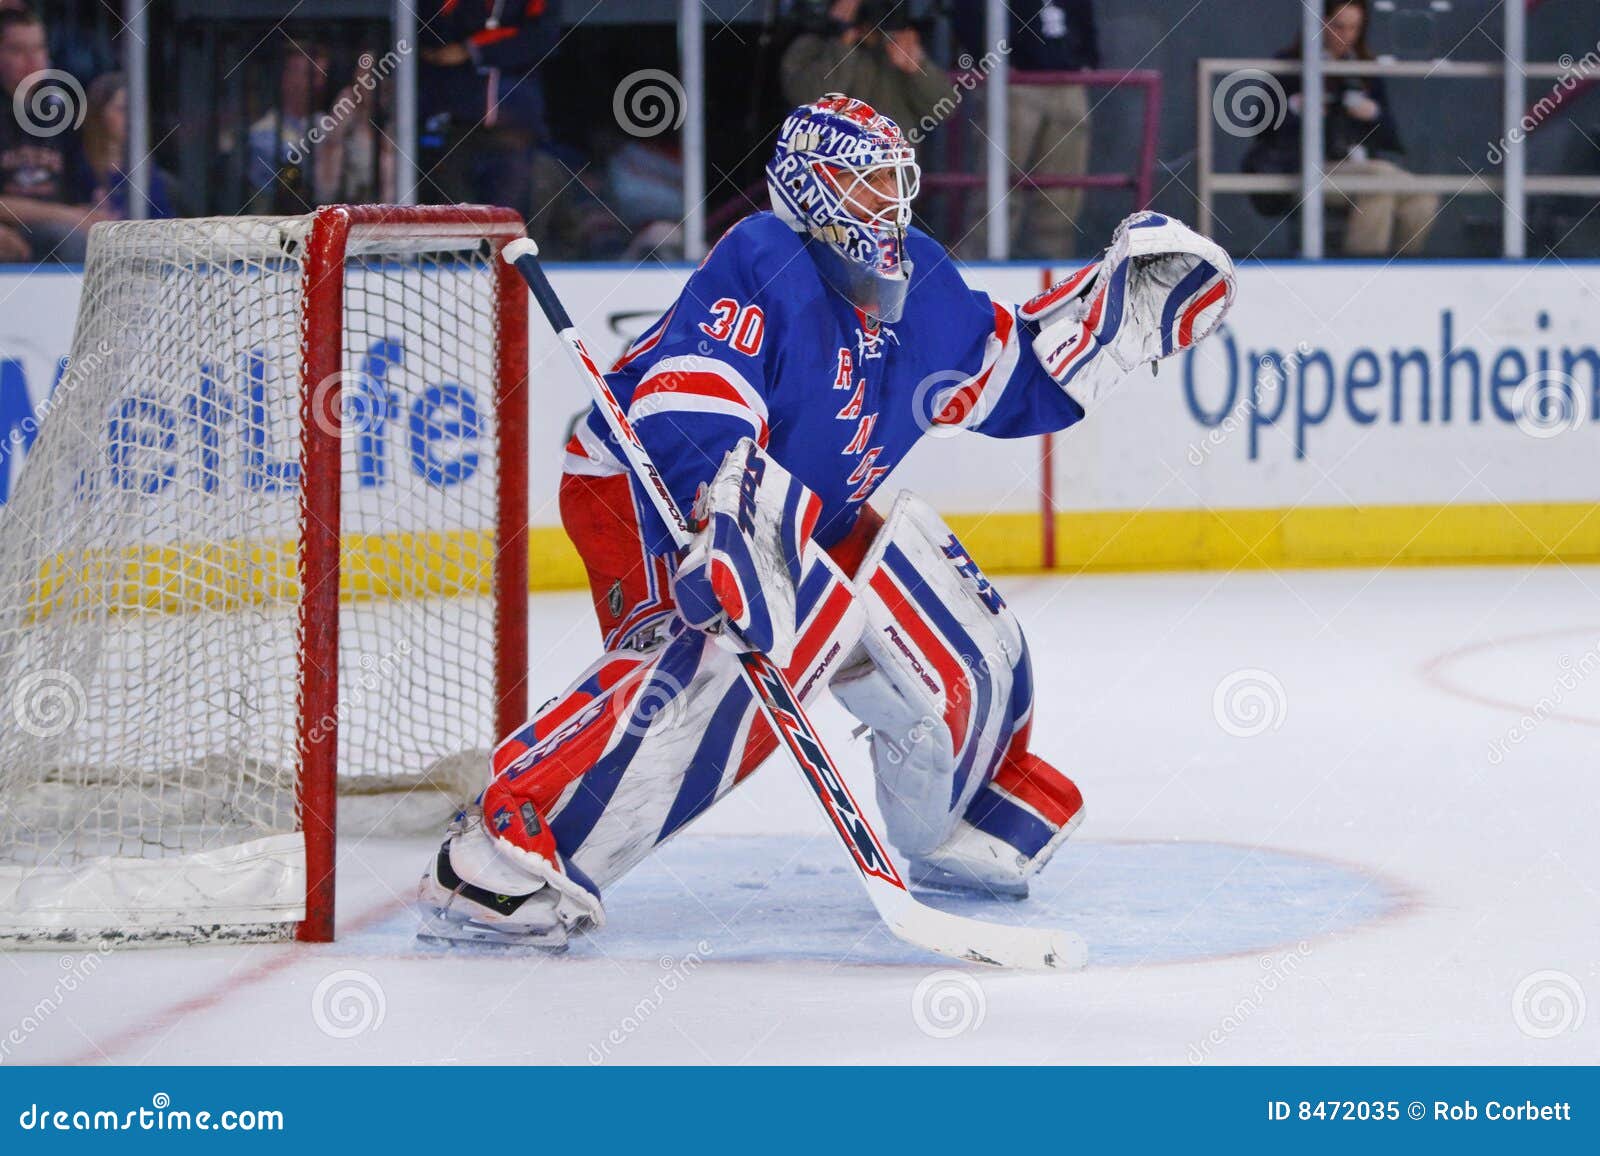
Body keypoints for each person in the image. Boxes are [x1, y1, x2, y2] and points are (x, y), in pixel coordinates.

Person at [418, 94, 1235, 947]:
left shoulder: (921, 284)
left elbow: (1009, 374)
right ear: (809, 187)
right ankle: (501, 857)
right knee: (732, 644)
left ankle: (961, 810)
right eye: (863, 182)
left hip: (804, 506)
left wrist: (1107, 322)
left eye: (894, 180)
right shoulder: (764, 258)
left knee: (938, 612)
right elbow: (695, 394)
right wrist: (720, 517)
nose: (887, 201)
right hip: (645, 488)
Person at [1247, 0, 1437, 257]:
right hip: (1308, 167)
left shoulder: (1363, 68)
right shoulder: (1290, 65)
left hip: (1361, 163)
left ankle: (1401, 270)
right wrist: (1295, 108)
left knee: (1422, 197)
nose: (1345, 36)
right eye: (1338, 26)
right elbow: (1262, 128)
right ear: (1322, 24)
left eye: (1354, 28)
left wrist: (1373, 114)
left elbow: (1392, 138)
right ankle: (1365, 270)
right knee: (1378, 184)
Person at [0, 8, 103, 261]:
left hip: (60, 223)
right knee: (69, 241)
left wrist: (96, 202)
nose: (32, 60)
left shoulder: (62, 111)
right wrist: (69, 216)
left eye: (38, 48)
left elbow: (84, 184)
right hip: (18, 229)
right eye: (17, 50)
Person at [781, 1, 953, 145]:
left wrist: (916, 69)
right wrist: (841, 42)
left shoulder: (895, 47)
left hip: (889, 170)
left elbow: (944, 108)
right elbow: (810, 99)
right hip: (829, 169)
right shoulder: (810, 46)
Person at [82, 72, 175, 219]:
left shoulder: (144, 164)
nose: (131, 118)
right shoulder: (82, 165)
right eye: (122, 109)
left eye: (135, 110)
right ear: (99, 113)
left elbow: (163, 217)